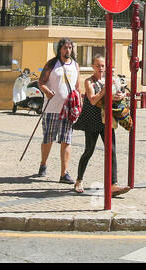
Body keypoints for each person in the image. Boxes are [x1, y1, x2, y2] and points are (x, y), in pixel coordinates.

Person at [73, 55, 130, 196]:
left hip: (106, 119)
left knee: (111, 150)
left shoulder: (110, 80)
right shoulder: (89, 82)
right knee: (89, 150)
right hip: (92, 120)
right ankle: (79, 180)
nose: (101, 69)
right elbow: (92, 100)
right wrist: (104, 90)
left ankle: (113, 184)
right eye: (98, 66)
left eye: (103, 66)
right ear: (93, 66)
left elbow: (118, 94)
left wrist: (120, 96)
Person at [35, 39, 79, 184]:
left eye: (70, 48)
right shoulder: (52, 64)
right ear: (60, 49)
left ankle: (64, 173)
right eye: (65, 48)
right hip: (51, 109)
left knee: (66, 140)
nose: (68, 50)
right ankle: (43, 164)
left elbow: (77, 88)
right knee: (48, 139)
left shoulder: (75, 65)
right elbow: (41, 82)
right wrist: (47, 91)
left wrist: (80, 105)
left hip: (68, 110)